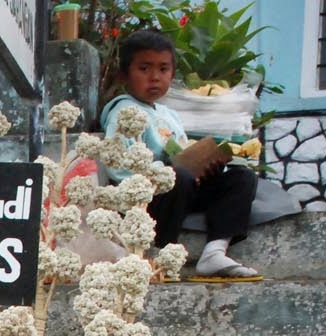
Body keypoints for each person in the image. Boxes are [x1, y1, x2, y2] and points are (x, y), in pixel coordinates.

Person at [101, 29, 260, 279]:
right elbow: (117, 167)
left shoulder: (170, 115)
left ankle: (215, 250)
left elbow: (184, 153)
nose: (154, 77)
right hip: (146, 200)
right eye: (144, 69)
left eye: (163, 69)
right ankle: (162, 253)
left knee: (241, 177)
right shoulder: (123, 111)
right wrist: (164, 171)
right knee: (178, 177)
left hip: (183, 187)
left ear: (172, 74)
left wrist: (207, 166)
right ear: (124, 75)